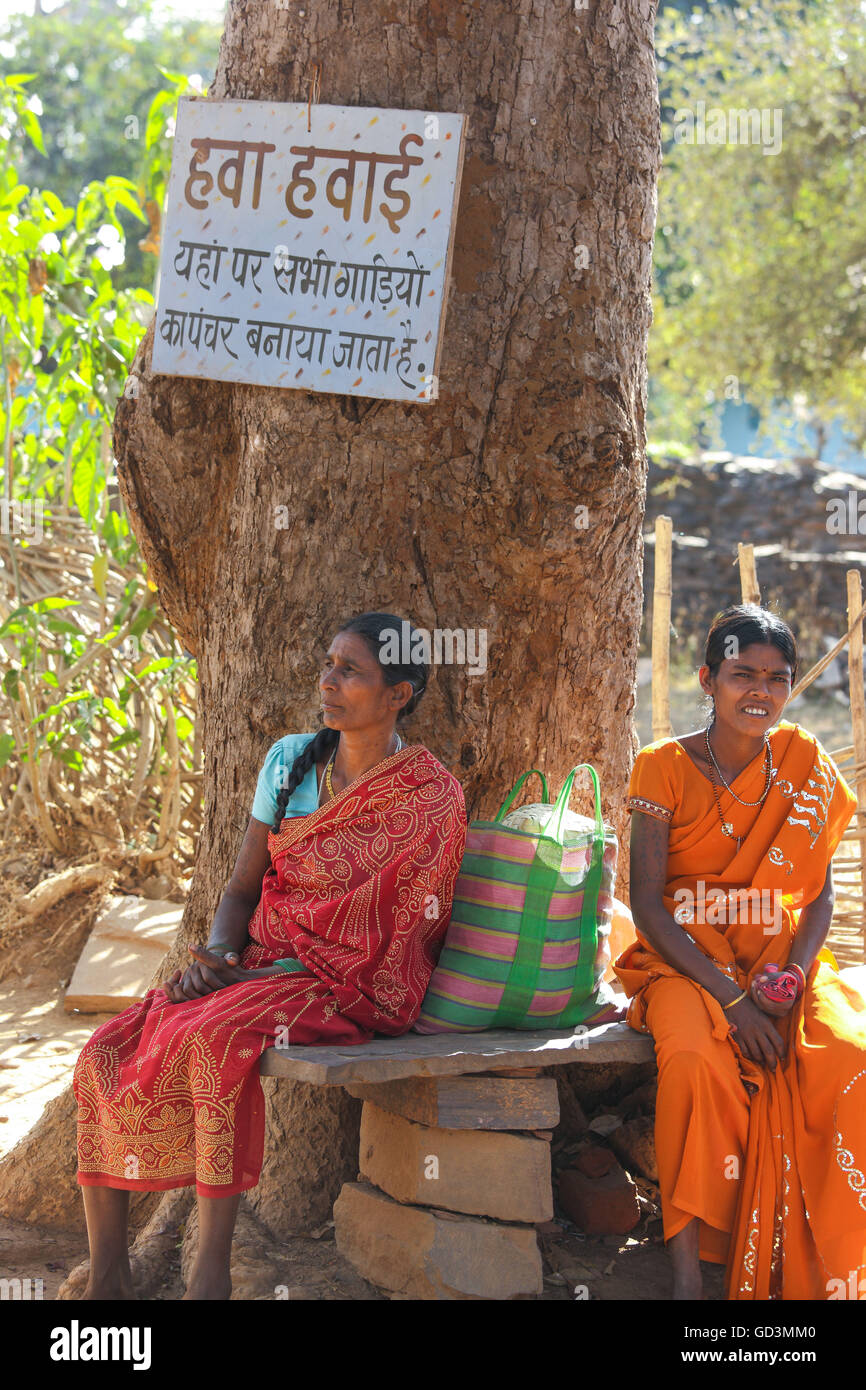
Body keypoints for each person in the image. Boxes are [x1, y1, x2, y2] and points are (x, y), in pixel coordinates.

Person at [72, 612, 467, 1300]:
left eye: (350, 671)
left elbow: (410, 928)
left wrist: (320, 956)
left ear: (399, 693)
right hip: (259, 962)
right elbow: (242, 888)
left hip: (347, 983)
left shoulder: (430, 795)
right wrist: (218, 953)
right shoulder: (292, 762)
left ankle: (210, 1274)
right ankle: (108, 1276)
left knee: (214, 1039)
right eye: (328, 664)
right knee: (103, 1050)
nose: (328, 681)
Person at [615, 603, 866, 1300]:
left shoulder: (804, 763)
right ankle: (689, 1272)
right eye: (741, 674)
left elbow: (818, 899)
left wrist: (793, 974)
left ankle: (822, 1255)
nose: (760, 691)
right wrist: (731, 1000)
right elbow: (647, 905)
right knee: (696, 1061)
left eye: (777, 678)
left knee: (849, 1059)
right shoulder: (661, 766)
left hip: (781, 963)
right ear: (707, 678)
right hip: (683, 962)